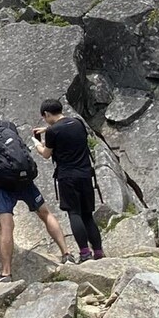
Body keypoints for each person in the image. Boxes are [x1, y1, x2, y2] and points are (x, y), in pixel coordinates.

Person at [0, 105, 71, 281]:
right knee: (45, 213)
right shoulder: (8, 125)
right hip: (24, 178)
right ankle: (67, 254)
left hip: (2, 184)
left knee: (6, 226)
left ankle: (6, 273)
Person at [33, 99, 104, 262]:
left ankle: (85, 253)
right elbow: (66, 129)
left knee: (74, 213)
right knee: (87, 215)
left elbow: (46, 154)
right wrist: (47, 129)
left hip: (68, 177)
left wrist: (37, 144)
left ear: (46, 114)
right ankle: (99, 251)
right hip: (85, 174)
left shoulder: (52, 132)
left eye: (44, 117)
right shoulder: (78, 123)